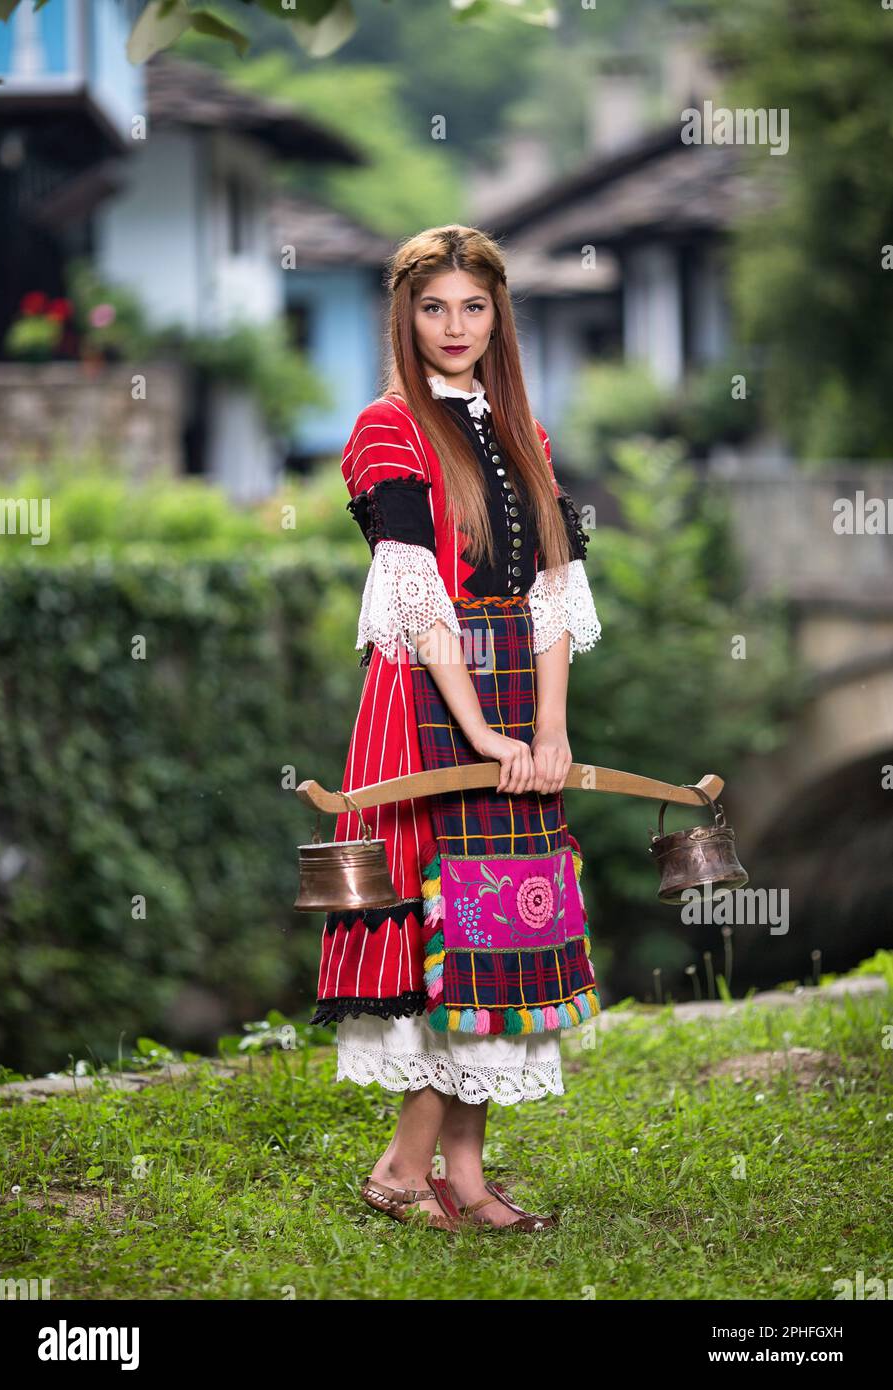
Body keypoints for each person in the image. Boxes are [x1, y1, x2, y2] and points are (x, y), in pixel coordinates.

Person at [309, 224, 603, 1233]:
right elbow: (417, 595)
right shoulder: (385, 431)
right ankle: (402, 1168)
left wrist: (549, 726)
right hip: (428, 707)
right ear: (405, 315)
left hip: (519, 695)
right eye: (432, 307)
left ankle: (462, 1177)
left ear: (496, 315)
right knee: (453, 935)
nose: (453, 326)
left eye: (472, 307)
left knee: (506, 933)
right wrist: (480, 731)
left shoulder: (525, 431)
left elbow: (555, 591)